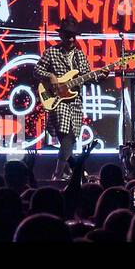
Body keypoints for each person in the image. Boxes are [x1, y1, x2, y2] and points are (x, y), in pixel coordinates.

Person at [36, 20, 90, 181]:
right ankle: (58, 174)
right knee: (67, 136)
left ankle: (74, 172)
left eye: (73, 36)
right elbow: (37, 70)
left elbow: (87, 76)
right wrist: (51, 76)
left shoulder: (79, 55)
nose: (71, 39)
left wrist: (100, 76)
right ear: (61, 35)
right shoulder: (51, 52)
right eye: (68, 36)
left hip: (75, 102)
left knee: (70, 139)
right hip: (58, 101)